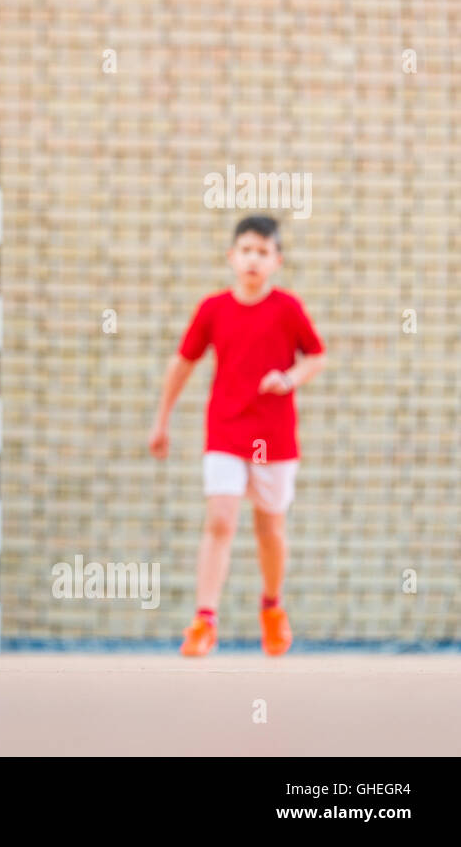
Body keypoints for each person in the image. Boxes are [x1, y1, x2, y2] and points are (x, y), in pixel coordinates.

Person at [149, 215, 326, 657]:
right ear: (232, 257)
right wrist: (162, 419)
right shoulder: (213, 309)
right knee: (221, 519)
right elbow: (182, 363)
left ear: (276, 261)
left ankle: (272, 607)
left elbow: (316, 357)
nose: (253, 259)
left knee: (269, 528)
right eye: (246, 250)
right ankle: (204, 619)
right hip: (225, 432)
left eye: (263, 252)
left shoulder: (287, 309)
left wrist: (288, 378)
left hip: (275, 437)